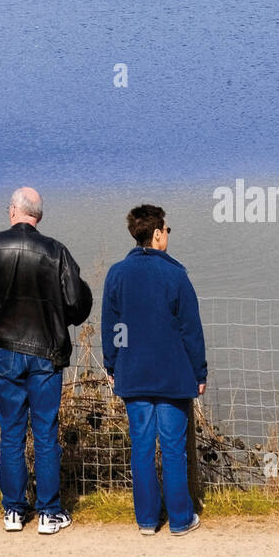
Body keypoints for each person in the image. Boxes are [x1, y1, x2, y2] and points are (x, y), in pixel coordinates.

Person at [0, 187, 92, 535]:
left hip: (5, 350)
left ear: (12, 211)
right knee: (46, 433)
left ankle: (13, 511)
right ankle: (50, 513)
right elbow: (77, 304)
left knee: (11, 433)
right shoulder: (56, 252)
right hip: (46, 354)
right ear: (38, 216)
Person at [101, 204, 207, 536]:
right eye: (167, 231)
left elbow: (114, 326)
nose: (168, 236)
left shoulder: (117, 274)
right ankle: (180, 519)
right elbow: (190, 330)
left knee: (142, 447)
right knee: (174, 448)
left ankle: (147, 520)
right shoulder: (176, 275)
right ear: (157, 233)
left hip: (133, 372)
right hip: (173, 375)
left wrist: (112, 361)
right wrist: (199, 373)